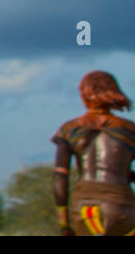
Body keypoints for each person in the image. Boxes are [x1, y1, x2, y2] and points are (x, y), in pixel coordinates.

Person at [52, 70, 135, 235]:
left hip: (84, 210)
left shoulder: (68, 130)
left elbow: (60, 180)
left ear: (84, 94)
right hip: (121, 208)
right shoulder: (130, 130)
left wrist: (64, 225)